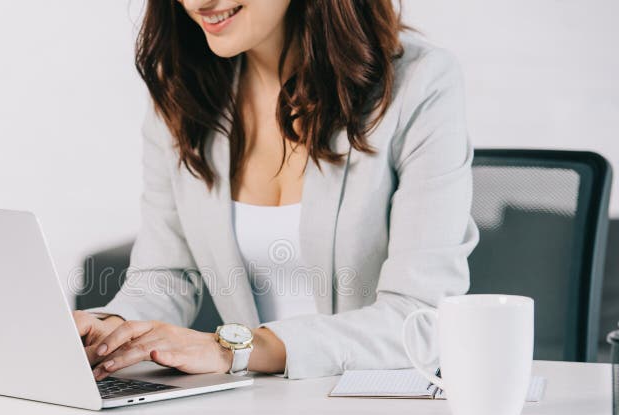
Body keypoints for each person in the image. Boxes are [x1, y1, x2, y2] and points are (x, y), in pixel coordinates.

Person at [73, 0, 479, 380]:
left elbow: (421, 320)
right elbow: (165, 277)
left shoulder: (421, 83)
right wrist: (111, 330)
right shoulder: (183, 90)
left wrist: (237, 349)